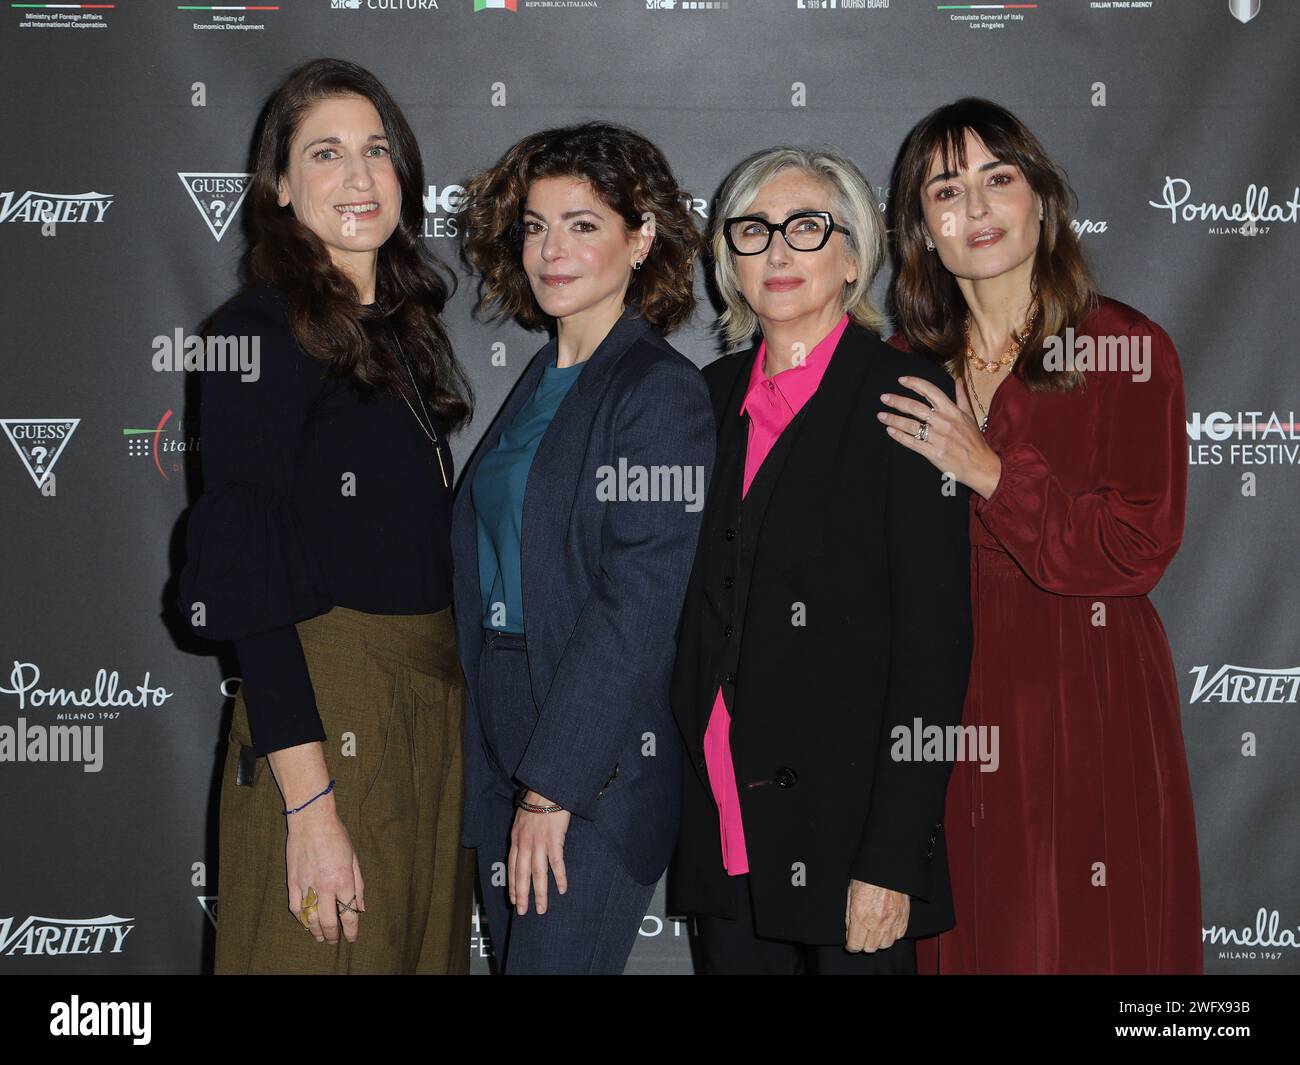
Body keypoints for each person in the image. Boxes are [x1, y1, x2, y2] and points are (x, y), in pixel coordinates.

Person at [880, 97, 1203, 973]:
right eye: (947, 190)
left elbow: (1137, 547)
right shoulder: (901, 370)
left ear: (1043, 201)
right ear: (922, 228)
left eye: (999, 179)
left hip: (1087, 688)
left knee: (1091, 937)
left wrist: (989, 471)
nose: (977, 209)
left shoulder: (1125, 347)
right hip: (944, 700)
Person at [177, 58, 476, 974]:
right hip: (325, 710)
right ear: (279, 185)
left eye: (378, 151)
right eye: (327, 153)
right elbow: (249, 579)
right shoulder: (255, 334)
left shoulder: (398, 334)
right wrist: (307, 807)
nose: (359, 177)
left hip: (429, 712)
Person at [668, 146, 972, 975]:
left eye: (806, 228)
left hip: (853, 841)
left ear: (851, 256)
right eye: (754, 230)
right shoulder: (707, 396)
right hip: (726, 822)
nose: (776, 251)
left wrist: (892, 858)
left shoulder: (908, 397)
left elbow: (933, 651)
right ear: (728, 259)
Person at [453, 122, 714, 974]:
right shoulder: (540, 378)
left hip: (588, 756)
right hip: (499, 719)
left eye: (583, 223)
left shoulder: (659, 391)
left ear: (641, 238)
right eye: (534, 225)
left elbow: (636, 607)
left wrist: (552, 783)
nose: (550, 250)